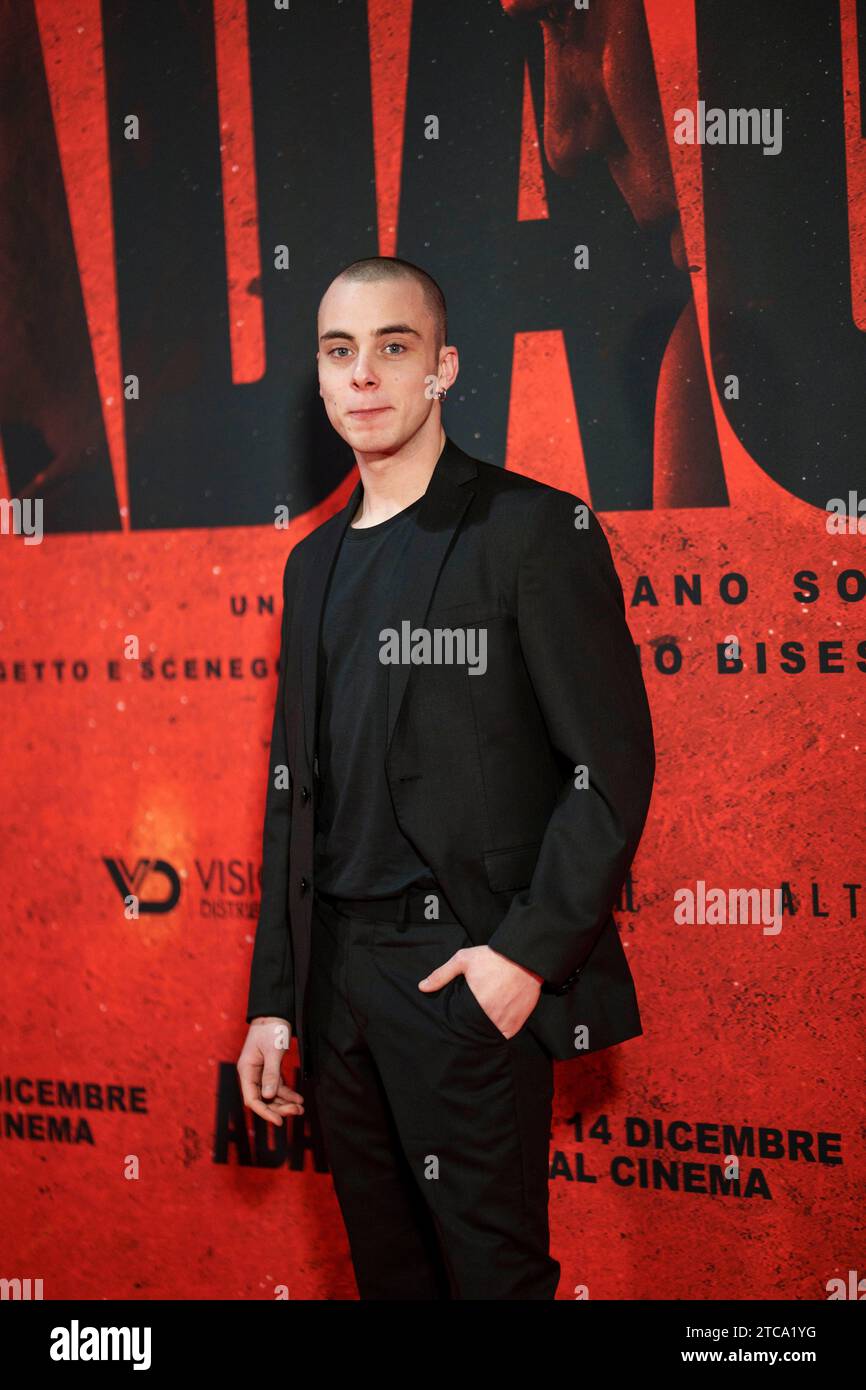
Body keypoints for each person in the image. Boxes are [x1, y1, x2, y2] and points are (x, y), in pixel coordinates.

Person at [237, 255, 655, 1300]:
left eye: (393, 346)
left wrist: (521, 957)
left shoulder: (526, 530)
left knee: (490, 1280)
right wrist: (275, 1005)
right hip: (336, 987)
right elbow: (297, 794)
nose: (364, 375)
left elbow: (610, 765)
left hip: (455, 974)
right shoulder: (311, 563)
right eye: (340, 352)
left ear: (443, 368)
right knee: (390, 1277)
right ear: (321, 379)